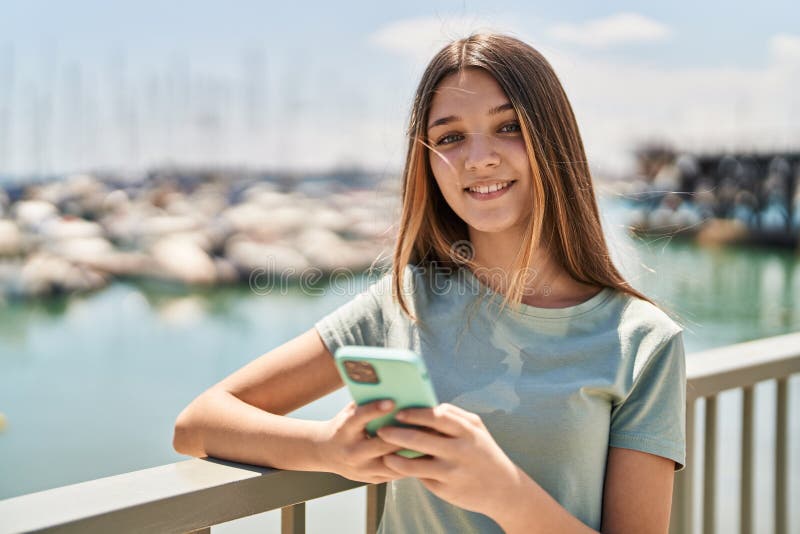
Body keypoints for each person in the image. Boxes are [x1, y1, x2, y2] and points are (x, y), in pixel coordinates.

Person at [173, 33, 686, 534]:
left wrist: (504, 494)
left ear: (552, 140)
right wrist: (328, 449)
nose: (478, 157)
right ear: (429, 164)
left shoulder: (644, 342)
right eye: (449, 137)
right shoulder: (406, 300)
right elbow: (199, 423)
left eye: (508, 126)